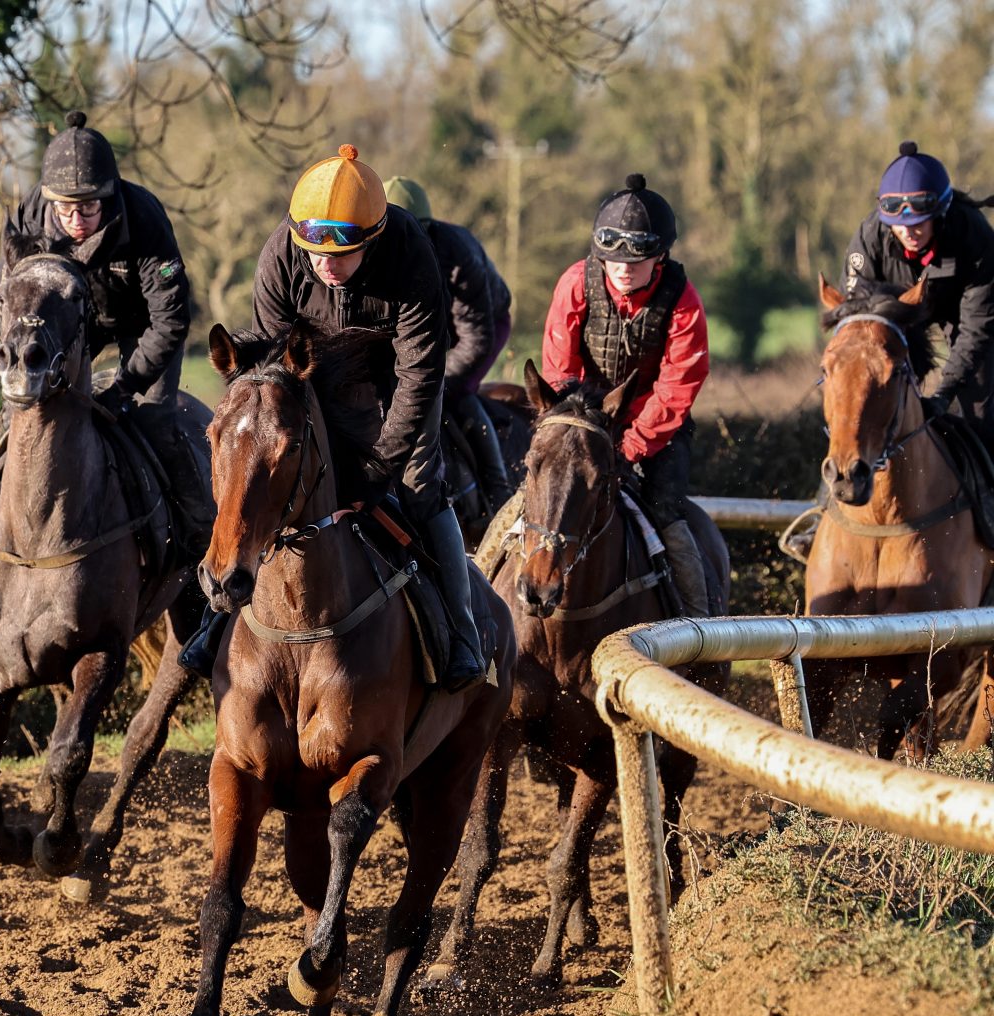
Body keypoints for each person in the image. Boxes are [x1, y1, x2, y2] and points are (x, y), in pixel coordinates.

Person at [180, 143, 488, 691]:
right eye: (314, 252)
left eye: (341, 254)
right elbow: (276, 361)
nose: (325, 264)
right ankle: (217, 614)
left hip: (398, 373)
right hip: (316, 371)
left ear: (372, 237)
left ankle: (461, 633)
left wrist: (375, 472)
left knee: (418, 484)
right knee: (261, 472)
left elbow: (419, 378)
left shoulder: (413, 259)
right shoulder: (282, 252)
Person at [0, 111, 209, 560]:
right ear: (48, 200)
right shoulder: (30, 216)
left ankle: (198, 528)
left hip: (142, 323)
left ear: (109, 196)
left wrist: (125, 386)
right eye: (66, 209)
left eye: (89, 209)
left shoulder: (145, 217)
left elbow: (171, 318)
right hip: (67, 322)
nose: (76, 220)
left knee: (156, 418)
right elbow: (5, 298)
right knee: (18, 404)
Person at [539, 173, 711, 618]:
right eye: (611, 257)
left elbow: (680, 383)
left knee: (668, 518)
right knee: (530, 499)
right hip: (581, 423)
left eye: (635, 261)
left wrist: (631, 446)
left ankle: (700, 628)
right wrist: (582, 431)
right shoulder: (577, 281)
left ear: (661, 257)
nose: (622, 267)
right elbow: (560, 370)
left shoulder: (683, 299)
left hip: (654, 432)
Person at [844, 141, 994, 432]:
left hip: (961, 313)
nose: (908, 232)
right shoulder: (868, 238)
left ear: (939, 215)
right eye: (899, 225)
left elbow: (977, 330)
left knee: (980, 405)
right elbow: (856, 316)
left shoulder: (976, 237)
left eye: (919, 223)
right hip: (895, 311)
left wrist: (943, 393)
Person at [383, 176, 516, 506]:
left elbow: (475, 337)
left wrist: (432, 381)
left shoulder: (458, 253)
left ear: (428, 227)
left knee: (452, 391)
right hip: (425, 332)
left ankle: (497, 487)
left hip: (481, 326)